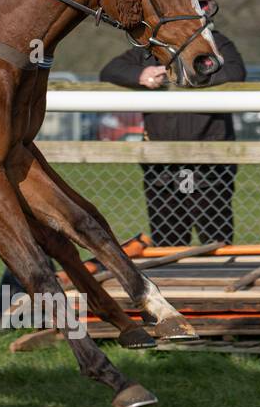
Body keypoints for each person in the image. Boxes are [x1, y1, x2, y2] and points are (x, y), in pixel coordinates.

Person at [100, 32, 247, 246]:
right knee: (167, 245)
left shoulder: (215, 43)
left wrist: (190, 74)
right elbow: (110, 71)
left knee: (217, 244)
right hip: (161, 170)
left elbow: (235, 72)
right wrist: (142, 74)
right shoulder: (151, 47)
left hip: (209, 168)